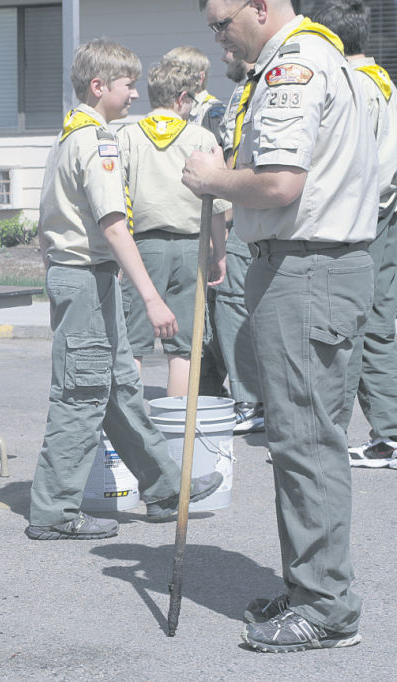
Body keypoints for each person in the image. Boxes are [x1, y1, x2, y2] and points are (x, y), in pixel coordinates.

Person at [185, 0, 376, 653]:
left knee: (304, 440)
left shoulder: (292, 69)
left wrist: (211, 179)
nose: (217, 35)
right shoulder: (317, 60)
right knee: (303, 436)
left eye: (220, 21)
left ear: (261, 7)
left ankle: (325, 606)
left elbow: (280, 183)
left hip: (307, 267)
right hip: (313, 265)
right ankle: (310, 587)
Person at [27, 39, 222, 542]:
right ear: (99, 87)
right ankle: (54, 511)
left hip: (85, 278)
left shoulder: (69, 136)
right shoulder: (96, 141)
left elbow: (47, 223)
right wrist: (152, 298)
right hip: (87, 277)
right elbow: (114, 225)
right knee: (82, 394)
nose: (135, 93)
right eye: (127, 84)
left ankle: (162, 490)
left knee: (119, 390)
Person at [311, 0, 397, 468]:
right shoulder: (384, 81)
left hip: (361, 216)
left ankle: (332, 431)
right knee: (379, 319)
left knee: (348, 324)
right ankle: (387, 430)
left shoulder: (350, 85)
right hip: (387, 208)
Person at [116, 58, 229, 397]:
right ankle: (179, 427)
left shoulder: (127, 136)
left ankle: (130, 427)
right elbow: (218, 201)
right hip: (190, 247)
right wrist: (219, 252)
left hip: (143, 249)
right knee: (183, 347)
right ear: (182, 98)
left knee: (133, 344)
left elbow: (116, 198)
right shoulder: (201, 137)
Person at [212, 50, 267, 434]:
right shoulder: (240, 93)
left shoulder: (261, 89)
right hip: (244, 216)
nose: (225, 50)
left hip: (251, 217)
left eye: (229, 39)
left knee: (233, 306)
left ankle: (249, 400)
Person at [163, 45, 227, 146]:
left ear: (200, 78)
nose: (170, 79)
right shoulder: (174, 108)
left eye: (177, 73)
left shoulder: (212, 113)